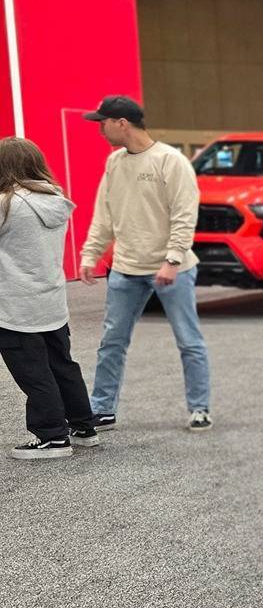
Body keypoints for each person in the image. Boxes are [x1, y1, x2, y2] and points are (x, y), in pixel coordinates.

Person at [77, 95, 213, 432]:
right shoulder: (114, 163)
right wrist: (90, 253)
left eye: (102, 122)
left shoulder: (171, 161)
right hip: (125, 269)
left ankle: (200, 408)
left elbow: (185, 215)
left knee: (188, 340)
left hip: (171, 270)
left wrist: (172, 260)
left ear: (122, 123)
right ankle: (103, 408)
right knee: (112, 342)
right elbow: (104, 214)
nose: (99, 129)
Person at [0, 138, 99, 459]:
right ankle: (83, 426)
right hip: (51, 299)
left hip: (14, 304)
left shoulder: (6, 204)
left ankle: (52, 436)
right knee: (62, 365)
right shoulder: (55, 199)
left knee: (33, 371)